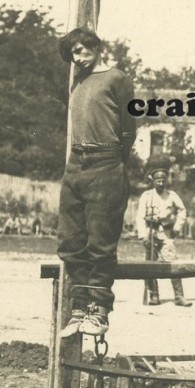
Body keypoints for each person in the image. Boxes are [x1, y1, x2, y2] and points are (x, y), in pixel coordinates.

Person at [56, 26, 136, 338]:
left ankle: (99, 312)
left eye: (85, 48)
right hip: (76, 164)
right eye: (75, 52)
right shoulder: (77, 81)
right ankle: (78, 310)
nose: (81, 55)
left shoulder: (117, 78)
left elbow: (129, 128)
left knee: (100, 243)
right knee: (70, 240)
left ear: (96, 47)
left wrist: (114, 160)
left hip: (106, 161)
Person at [134, 157, 189, 307]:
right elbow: (139, 216)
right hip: (150, 233)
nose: (160, 182)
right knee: (150, 266)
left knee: (172, 264)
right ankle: (154, 295)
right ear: (153, 180)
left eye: (163, 180)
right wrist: (142, 235)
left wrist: (177, 228)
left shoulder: (172, 195)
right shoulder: (146, 196)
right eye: (157, 180)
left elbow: (182, 211)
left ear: (166, 180)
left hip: (166, 233)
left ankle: (179, 296)